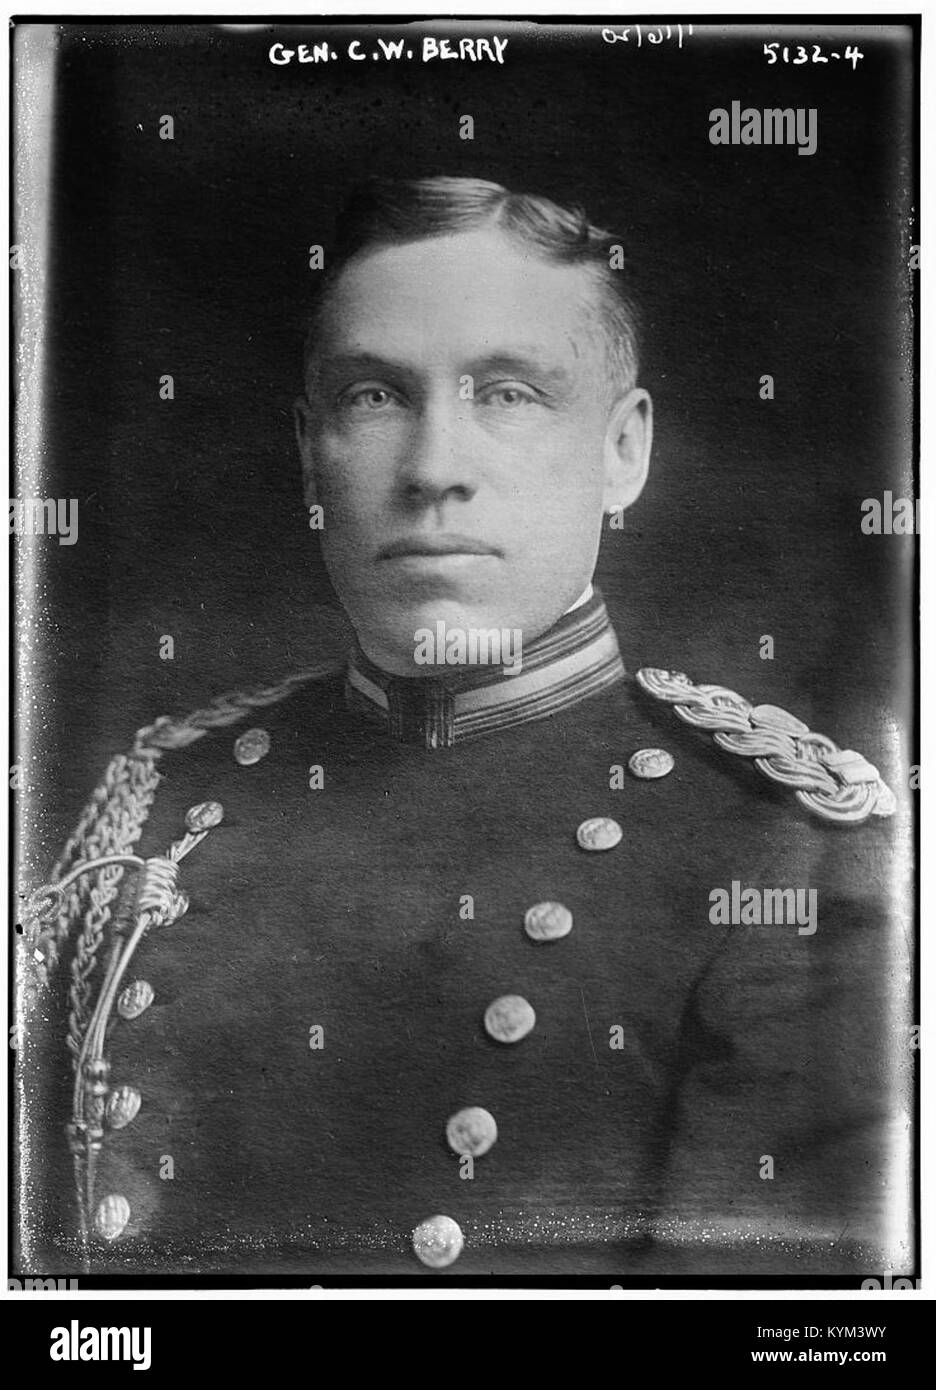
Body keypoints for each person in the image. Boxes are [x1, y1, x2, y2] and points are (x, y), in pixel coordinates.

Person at [15, 176, 909, 1279]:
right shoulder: (163, 796)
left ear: (624, 450)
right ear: (309, 451)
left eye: (509, 394)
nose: (436, 469)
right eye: (375, 398)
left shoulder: (783, 843)